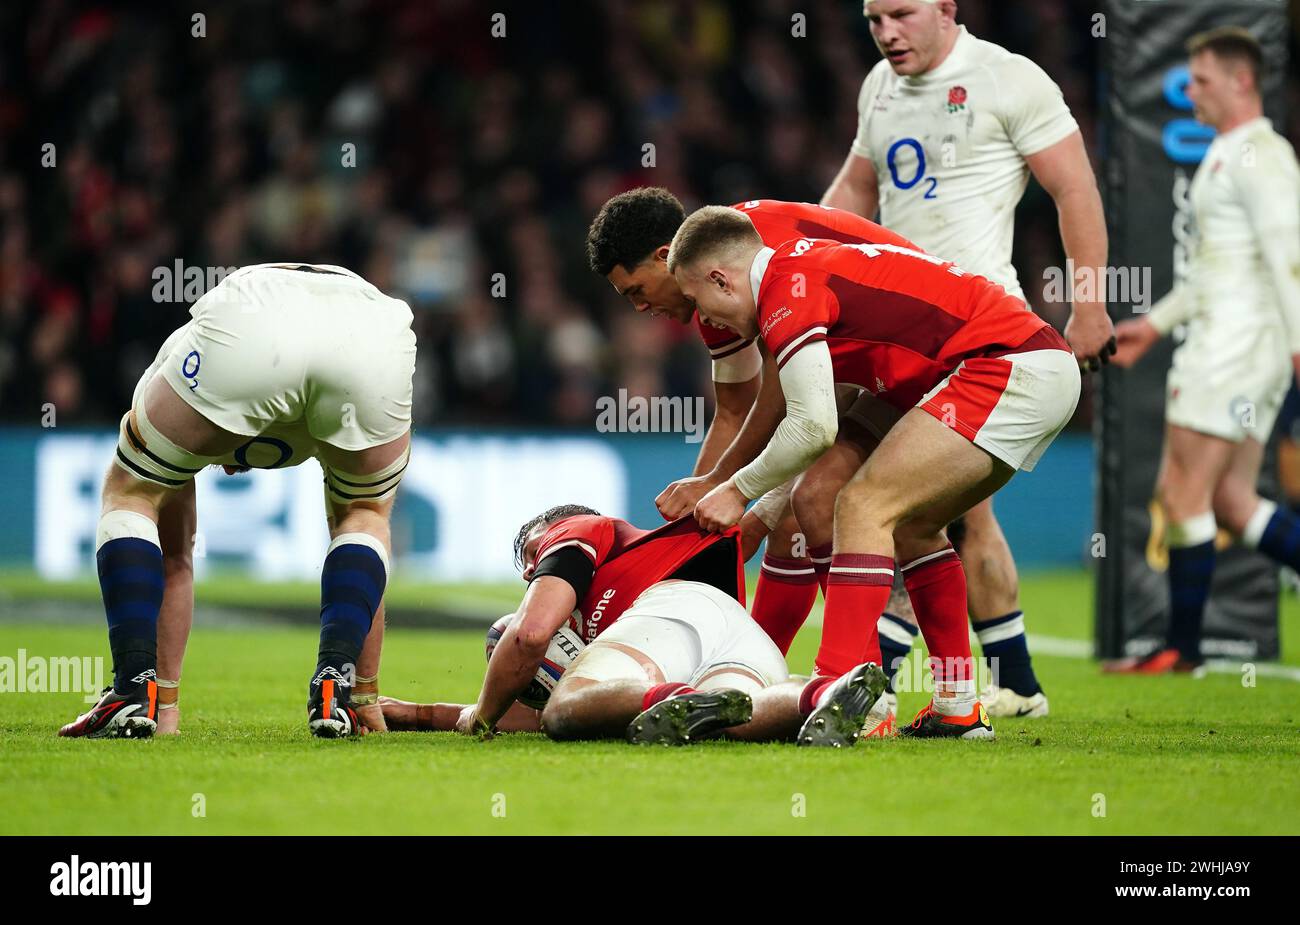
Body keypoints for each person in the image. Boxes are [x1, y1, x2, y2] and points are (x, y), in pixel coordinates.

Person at [668, 206, 1082, 738]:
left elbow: (812, 428)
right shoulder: (796, 274)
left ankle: (836, 690)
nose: (706, 319)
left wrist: (736, 490)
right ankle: (957, 706)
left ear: (720, 279)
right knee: (831, 501)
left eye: (698, 300)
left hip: (1004, 364)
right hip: (983, 368)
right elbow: (819, 427)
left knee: (863, 505)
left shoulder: (785, 291)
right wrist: (758, 500)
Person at [820, 0, 1116, 716]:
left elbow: (1073, 186)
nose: (886, 33)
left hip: (980, 335)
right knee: (959, 517)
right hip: (903, 337)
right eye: (871, 20)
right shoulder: (878, 88)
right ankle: (1011, 679)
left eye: (901, 14)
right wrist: (797, 259)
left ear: (947, 9)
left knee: (886, 505)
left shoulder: (1008, 79)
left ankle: (872, 678)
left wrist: (1089, 304)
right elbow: (856, 192)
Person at [586, 189, 922, 728]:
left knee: (806, 501)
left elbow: (787, 398)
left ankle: (857, 686)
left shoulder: (751, 248)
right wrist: (699, 518)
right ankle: (776, 679)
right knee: (790, 511)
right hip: (863, 368)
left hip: (914, 347)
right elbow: (735, 408)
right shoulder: (711, 296)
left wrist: (730, 490)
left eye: (637, 291)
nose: (641, 308)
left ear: (663, 255)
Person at [59, 263, 416, 739]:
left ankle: (133, 693)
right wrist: (367, 695)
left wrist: (165, 706)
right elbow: (366, 534)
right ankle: (340, 690)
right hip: (370, 334)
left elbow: (174, 557)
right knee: (364, 517)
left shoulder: (172, 369)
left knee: (133, 491)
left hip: (253, 322)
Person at [1110, 27, 1300, 672]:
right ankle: (1181, 648)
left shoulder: (1261, 157)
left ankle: (1181, 650)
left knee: (1180, 493)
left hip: (1236, 350)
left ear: (1242, 81)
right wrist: (1156, 324)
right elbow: (1215, 271)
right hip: (1239, 346)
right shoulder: (1228, 154)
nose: (1189, 91)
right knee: (1232, 502)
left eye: (1202, 80)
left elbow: (1289, 256)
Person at [391, 504, 885, 748]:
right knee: (737, 719)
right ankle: (820, 697)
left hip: (670, 610)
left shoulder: (577, 532)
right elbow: (529, 719)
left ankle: (677, 699)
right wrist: (415, 714)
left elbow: (530, 635)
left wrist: (480, 717)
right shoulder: (639, 563)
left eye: (528, 558)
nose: (528, 574)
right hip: (739, 633)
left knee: (566, 707)